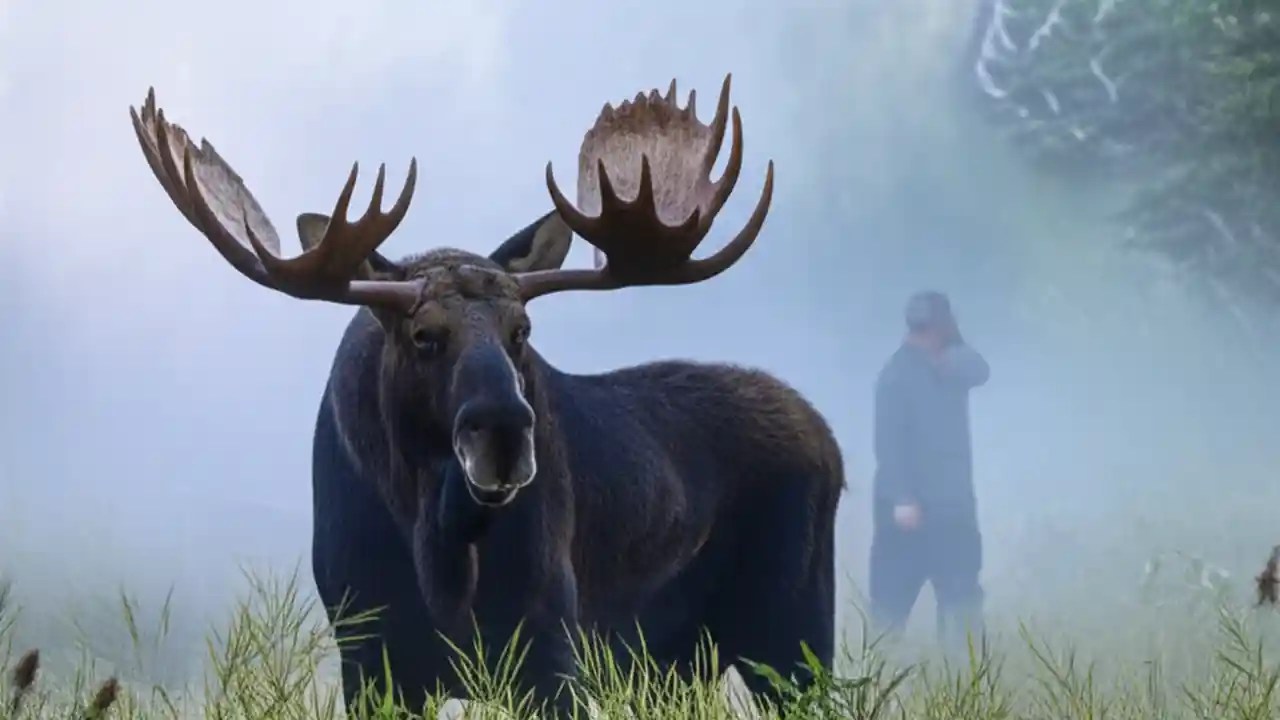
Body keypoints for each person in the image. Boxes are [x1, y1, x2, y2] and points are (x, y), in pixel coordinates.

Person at [869, 290, 990, 658]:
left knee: (961, 602)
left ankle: (964, 680)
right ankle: (881, 678)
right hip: (908, 514)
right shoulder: (895, 375)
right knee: (890, 606)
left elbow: (981, 370)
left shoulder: (953, 366)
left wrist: (952, 344)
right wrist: (903, 498)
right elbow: (888, 442)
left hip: (953, 511)